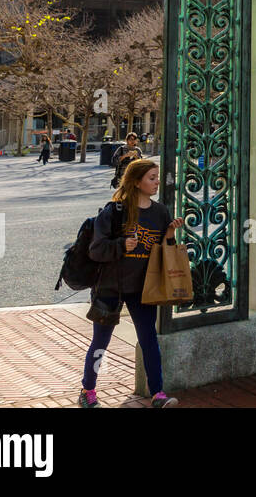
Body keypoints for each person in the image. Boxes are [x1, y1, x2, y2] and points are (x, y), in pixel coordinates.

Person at [79, 158, 184, 408]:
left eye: (157, 177)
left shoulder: (160, 213)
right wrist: (120, 245)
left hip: (143, 288)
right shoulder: (114, 211)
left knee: (149, 339)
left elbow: (163, 252)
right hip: (110, 288)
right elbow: (95, 249)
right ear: (137, 182)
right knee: (100, 343)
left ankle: (158, 394)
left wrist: (169, 235)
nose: (157, 181)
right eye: (152, 178)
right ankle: (88, 390)